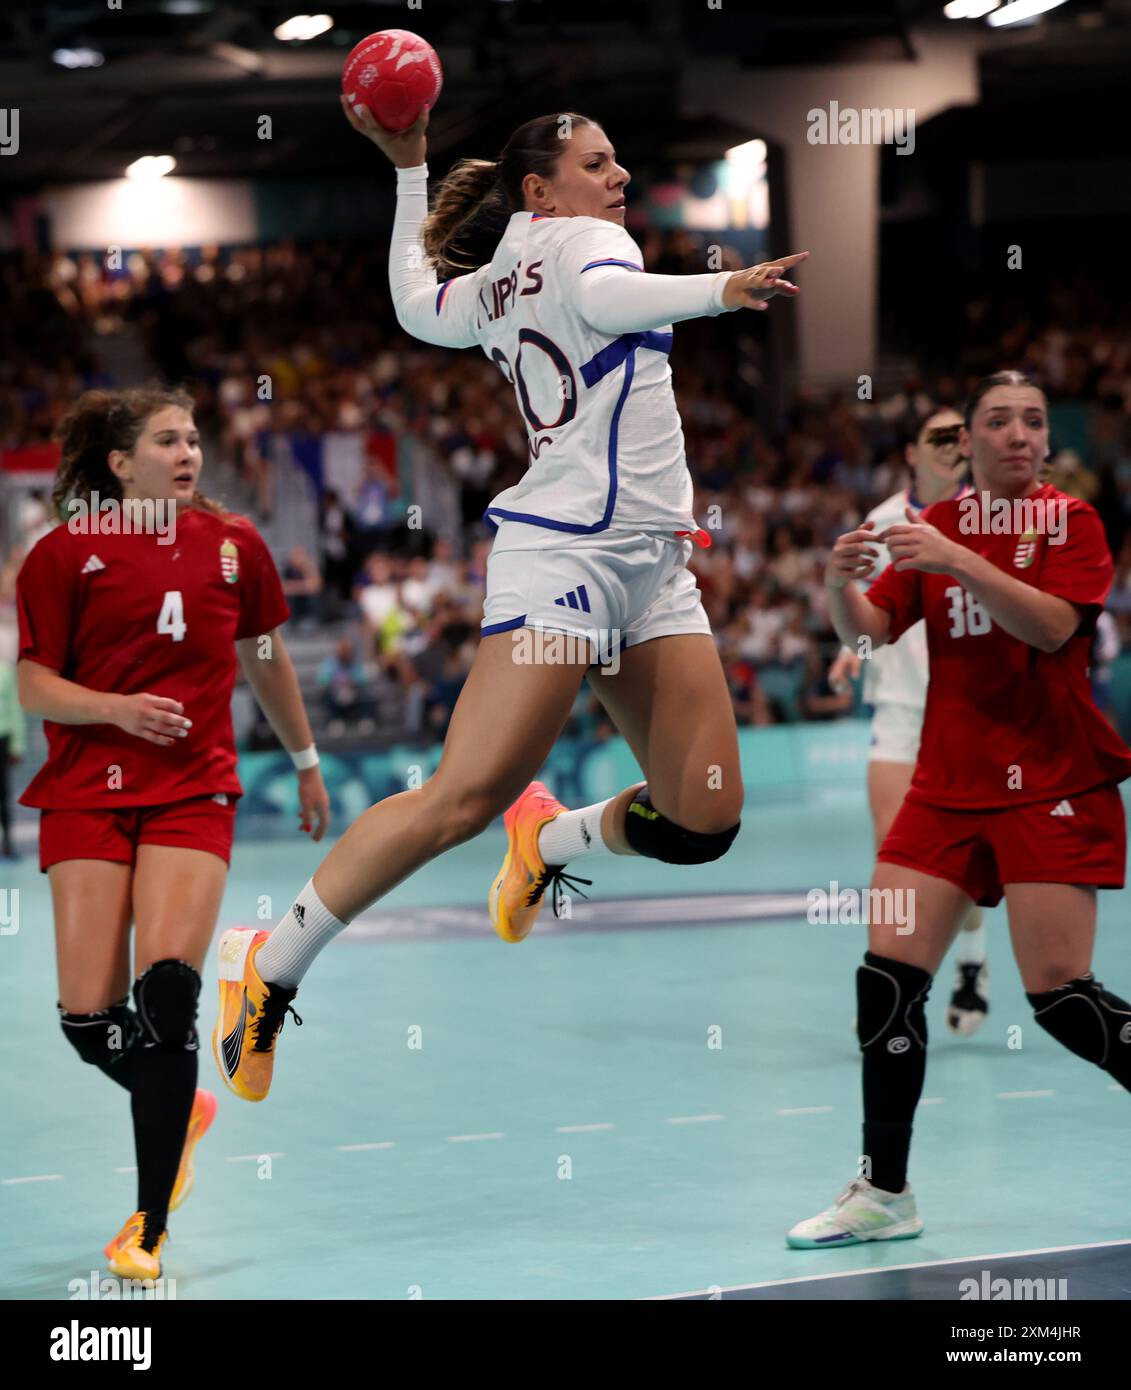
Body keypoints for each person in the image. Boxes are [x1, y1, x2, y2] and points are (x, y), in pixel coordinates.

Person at [212, 103, 808, 1103]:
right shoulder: (589, 245)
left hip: (653, 561)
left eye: (618, 159)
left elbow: (411, 302)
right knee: (459, 797)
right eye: (596, 161)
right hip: (564, 556)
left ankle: (551, 838)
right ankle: (265, 965)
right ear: (540, 192)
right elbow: (616, 298)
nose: (618, 175)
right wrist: (725, 287)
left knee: (705, 815)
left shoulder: (492, 282)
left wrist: (408, 171)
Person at [788, 371, 1131, 1249]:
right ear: (965, 444)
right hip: (943, 787)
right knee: (884, 981)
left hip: (1048, 782)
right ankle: (884, 1192)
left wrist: (959, 559)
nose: (1019, 434)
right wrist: (834, 588)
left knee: (1062, 1001)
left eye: (1034, 422)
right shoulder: (928, 530)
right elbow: (866, 636)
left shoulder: (1070, 523)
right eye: (998, 421)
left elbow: (1054, 627)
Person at [16, 386, 330, 1279]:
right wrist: (114, 709)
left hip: (192, 790)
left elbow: (265, 659)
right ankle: (181, 1103)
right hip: (84, 790)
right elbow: (32, 684)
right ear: (120, 465)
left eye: (193, 438)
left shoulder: (235, 548)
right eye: (166, 440)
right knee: (88, 1019)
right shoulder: (62, 556)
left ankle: (148, 1226)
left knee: (164, 1001)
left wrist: (305, 759)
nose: (188, 452)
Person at [829, 408, 991, 1035]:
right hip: (898, 710)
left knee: (964, 871)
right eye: (938, 437)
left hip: (967, 714)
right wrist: (852, 649)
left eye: (960, 437)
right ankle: (900, 991)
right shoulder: (882, 524)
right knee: (897, 862)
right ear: (911, 453)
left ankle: (972, 964)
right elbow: (869, 611)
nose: (952, 447)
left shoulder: (991, 519)